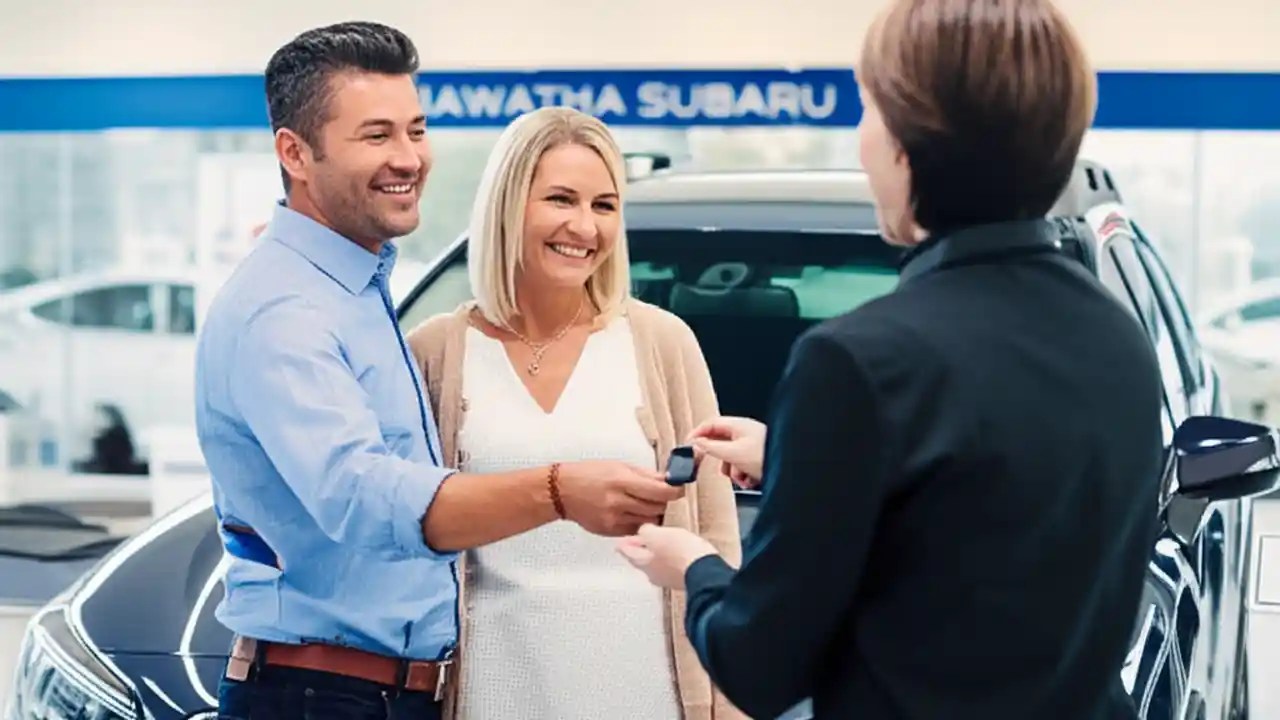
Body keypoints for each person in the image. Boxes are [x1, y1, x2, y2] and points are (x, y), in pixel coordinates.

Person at [618, 1, 1165, 718]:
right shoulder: (1117, 333)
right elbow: (992, 508)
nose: (860, 140)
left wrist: (697, 570)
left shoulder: (857, 364)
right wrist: (799, 456)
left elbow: (761, 666)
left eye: (868, 109)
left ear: (912, 143)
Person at [195, 24, 683, 720]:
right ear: (294, 153)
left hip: (391, 694)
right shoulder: (285, 310)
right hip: (325, 697)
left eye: (416, 130)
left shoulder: (355, 294)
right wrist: (558, 488)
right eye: (376, 135)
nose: (409, 158)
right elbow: (363, 497)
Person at [405, 106, 744, 720]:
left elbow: (716, 542)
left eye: (605, 206)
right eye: (561, 199)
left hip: (644, 693)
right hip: (491, 694)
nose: (584, 227)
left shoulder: (661, 344)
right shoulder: (437, 351)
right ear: (509, 204)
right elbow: (410, 525)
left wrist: (727, 701)